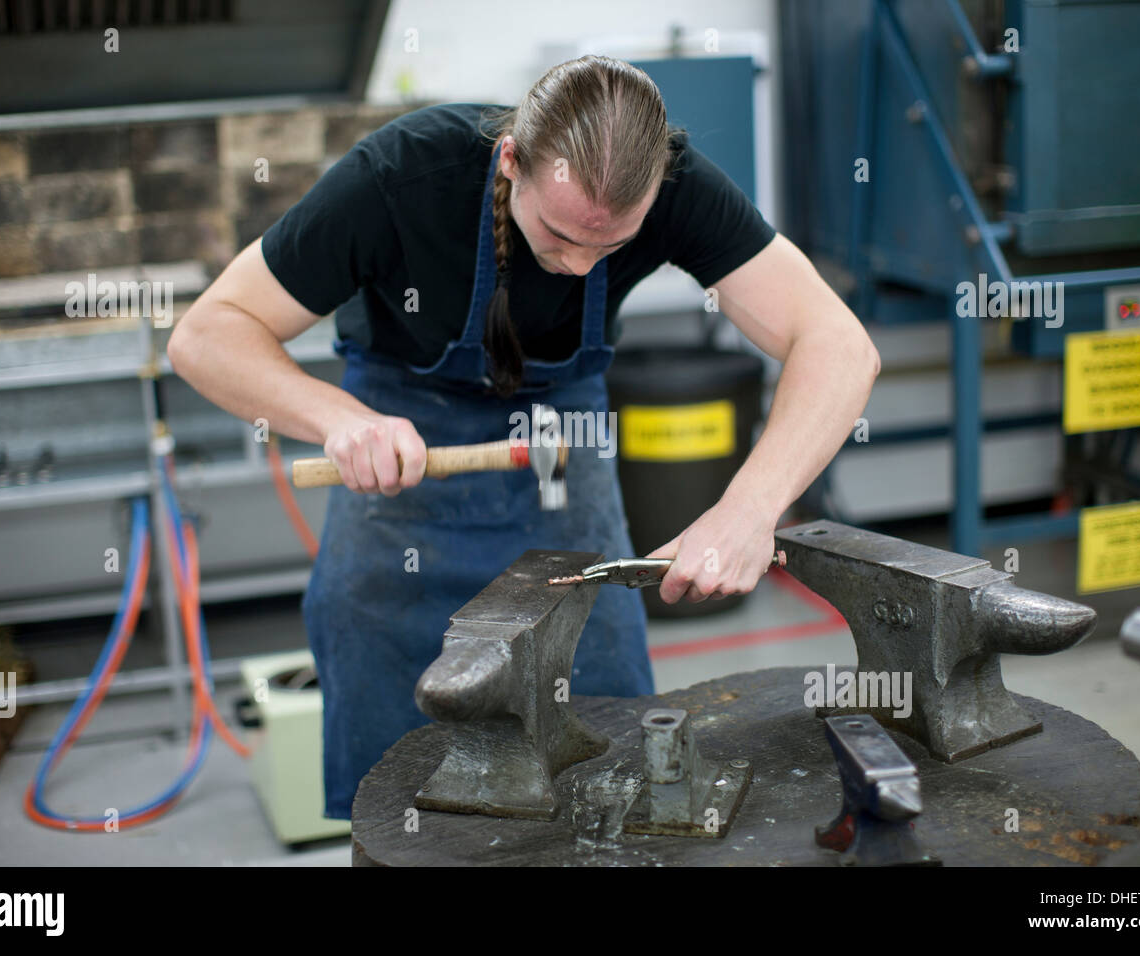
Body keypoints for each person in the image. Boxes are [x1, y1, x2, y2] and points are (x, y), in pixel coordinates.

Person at [168, 55, 879, 820]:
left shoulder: (677, 185)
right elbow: (207, 336)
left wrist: (750, 508)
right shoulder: (401, 175)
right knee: (379, 678)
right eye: (561, 234)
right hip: (399, 431)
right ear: (511, 162)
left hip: (559, 435)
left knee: (601, 709)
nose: (578, 267)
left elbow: (839, 347)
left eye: (608, 249)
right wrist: (338, 419)